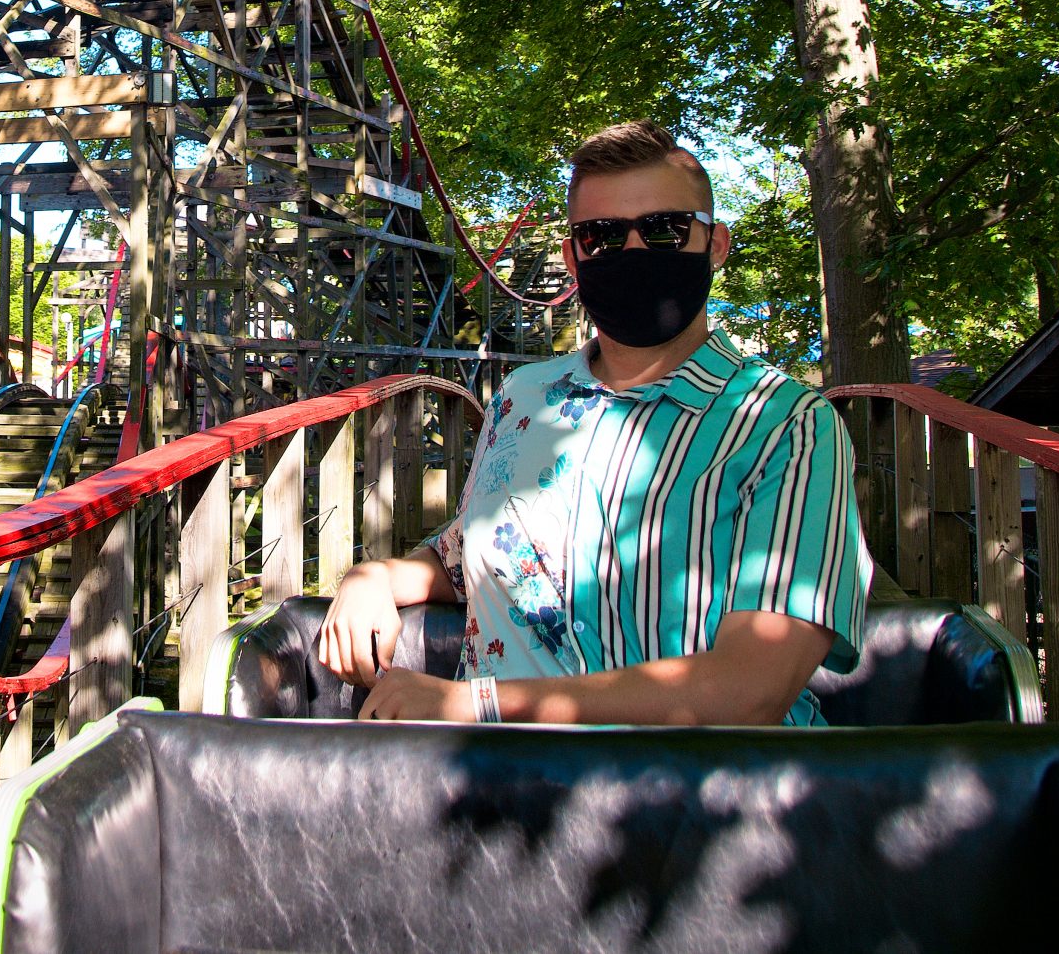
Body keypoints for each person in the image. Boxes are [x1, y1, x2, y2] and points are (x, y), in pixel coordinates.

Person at [317, 120, 872, 725]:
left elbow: (752, 688)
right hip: (498, 793)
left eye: (664, 230)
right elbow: (483, 551)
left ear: (715, 245)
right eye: (602, 236)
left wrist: (476, 705)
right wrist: (377, 575)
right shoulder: (522, 398)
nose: (632, 252)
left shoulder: (787, 426)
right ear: (573, 257)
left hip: (702, 800)